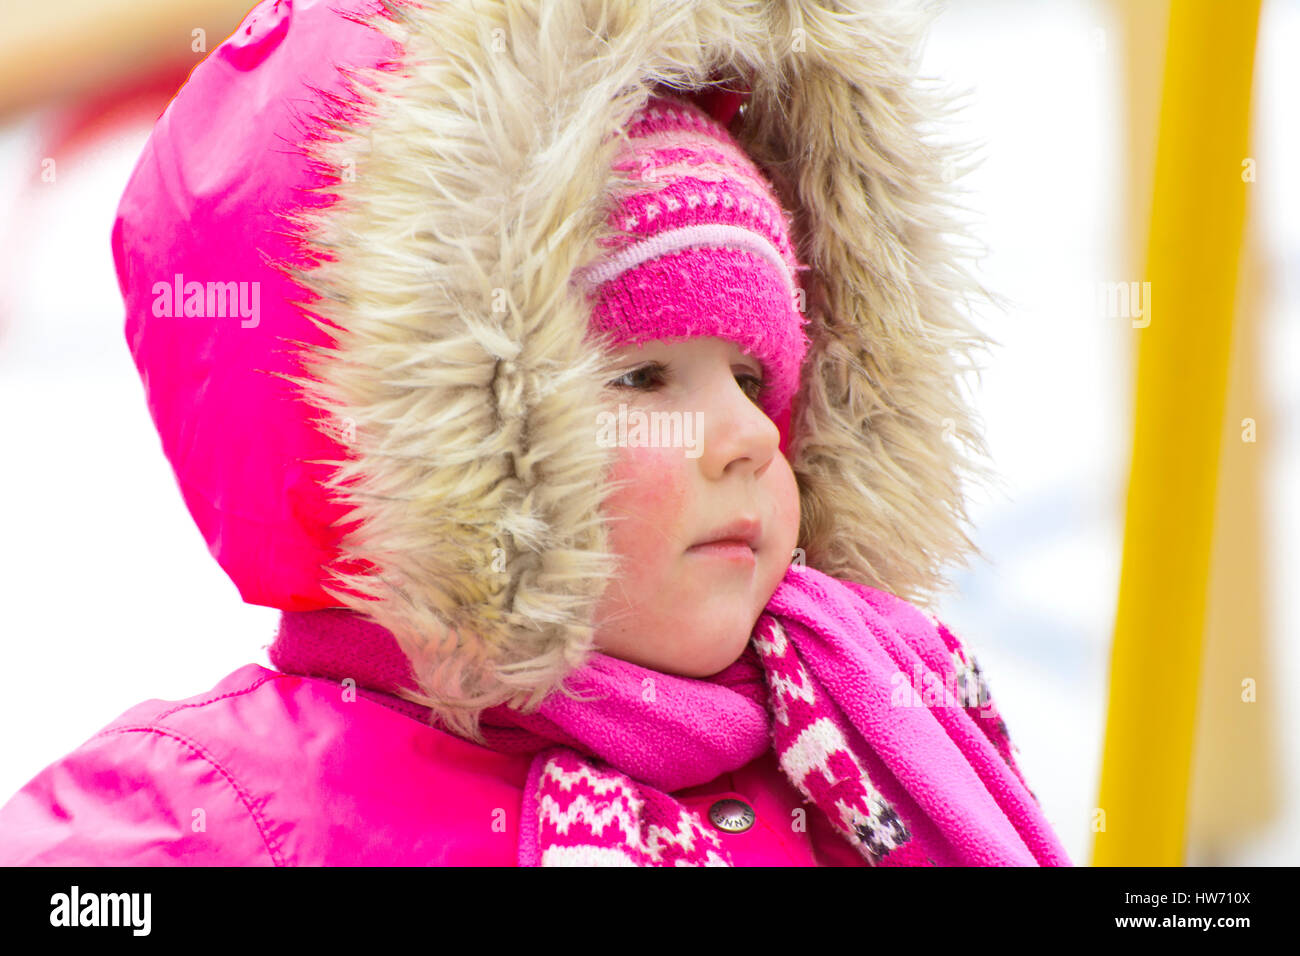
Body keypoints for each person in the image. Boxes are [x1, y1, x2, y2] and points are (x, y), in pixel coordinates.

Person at [0, 0, 1071, 866]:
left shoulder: (855, 730)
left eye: (753, 376)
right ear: (435, 445)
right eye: (646, 376)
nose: (748, 433)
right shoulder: (234, 811)